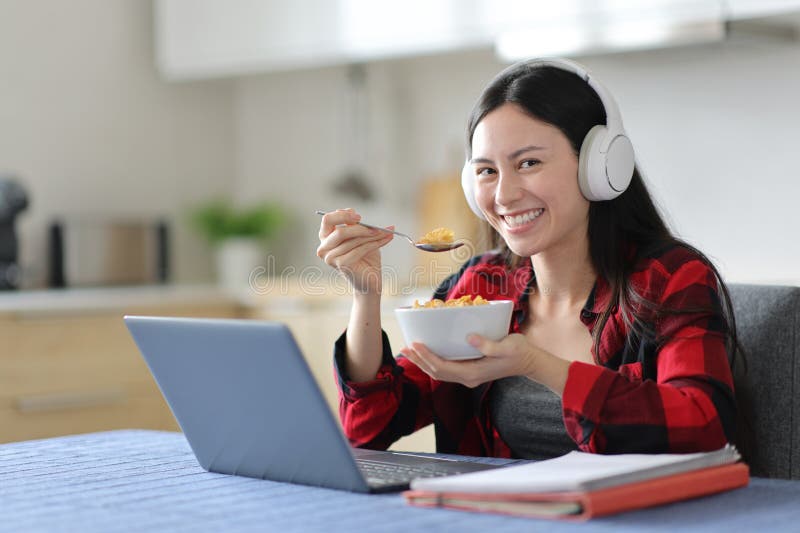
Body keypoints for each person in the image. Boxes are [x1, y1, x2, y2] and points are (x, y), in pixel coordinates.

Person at [316, 58, 741, 459]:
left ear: (599, 165)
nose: (503, 195)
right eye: (487, 171)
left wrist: (537, 365)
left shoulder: (668, 279)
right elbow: (367, 427)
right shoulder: (482, 284)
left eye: (529, 162)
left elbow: (701, 425)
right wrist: (365, 296)